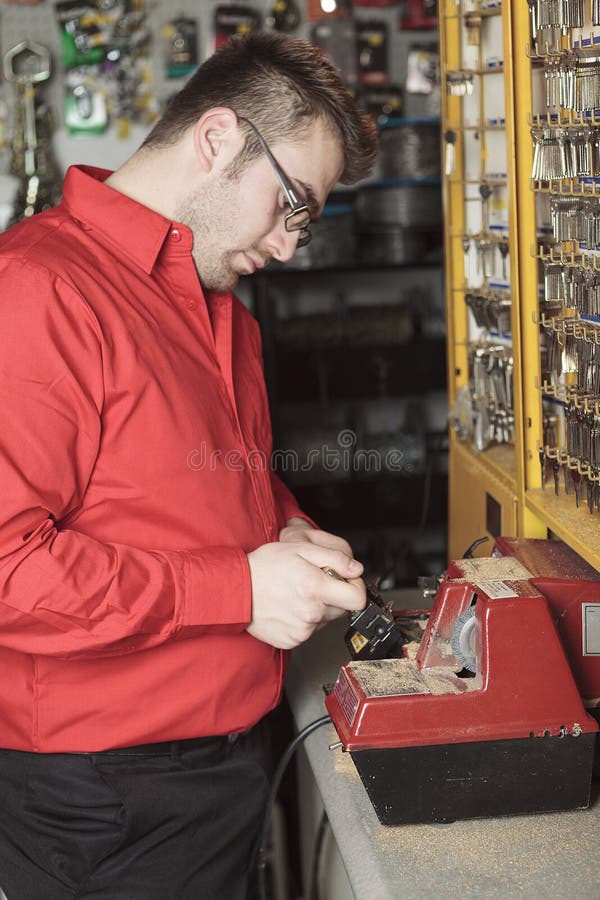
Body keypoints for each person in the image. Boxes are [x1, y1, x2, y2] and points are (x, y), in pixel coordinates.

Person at [0, 31, 377, 900]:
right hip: (103, 797)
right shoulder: (39, 290)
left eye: (306, 219)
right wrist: (240, 591)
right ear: (215, 140)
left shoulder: (217, 308)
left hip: (217, 769)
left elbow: (208, 478)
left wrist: (286, 529)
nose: (291, 246)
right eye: (292, 204)